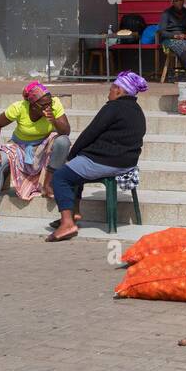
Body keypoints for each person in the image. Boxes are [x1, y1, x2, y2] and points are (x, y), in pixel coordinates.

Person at [47, 71, 149, 243]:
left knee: (60, 176)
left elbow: (90, 133)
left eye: (111, 89)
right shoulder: (137, 110)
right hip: (127, 162)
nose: (108, 93)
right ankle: (74, 213)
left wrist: (71, 155)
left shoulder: (113, 108)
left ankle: (67, 223)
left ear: (118, 90)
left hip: (108, 161)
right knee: (77, 166)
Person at [0, 81, 71, 226]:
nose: (48, 107)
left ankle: (48, 185)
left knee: (63, 142)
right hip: (20, 145)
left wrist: (53, 120)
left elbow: (66, 131)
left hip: (45, 144)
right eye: (43, 105)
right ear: (33, 104)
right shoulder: (19, 107)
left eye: (49, 103)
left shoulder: (54, 104)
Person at [158, 0, 186, 73]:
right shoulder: (167, 13)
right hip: (169, 39)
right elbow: (162, 32)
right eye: (176, 1)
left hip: (185, 38)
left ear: (183, 1)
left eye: (181, 0)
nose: (179, 2)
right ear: (172, 2)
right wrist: (175, 36)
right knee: (185, 47)